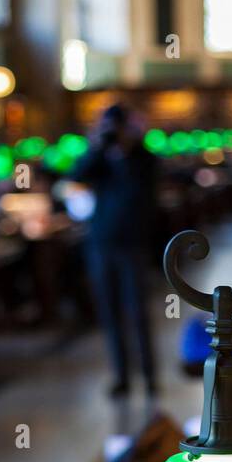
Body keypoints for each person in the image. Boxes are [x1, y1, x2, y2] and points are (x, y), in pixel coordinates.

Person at [73, 104, 159, 397]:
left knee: (137, 313)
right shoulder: (100, 157)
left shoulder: (142, 158)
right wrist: (98, 145)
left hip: (133, 244)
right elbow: (76, 175)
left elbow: (142, 192)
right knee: (110, 313)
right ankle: (121, 376)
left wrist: (126, 149)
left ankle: (148, 375)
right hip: (101, 244)